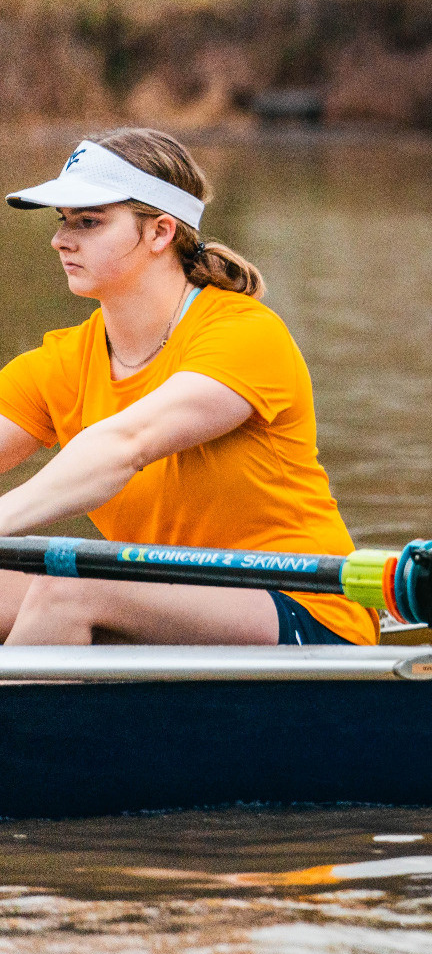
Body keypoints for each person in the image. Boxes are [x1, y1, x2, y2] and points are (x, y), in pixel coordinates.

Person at [0, 128, 377, 646]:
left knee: (64, 592)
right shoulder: (60, 364)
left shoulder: (245, 335)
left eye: (89, 222)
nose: (61, 240)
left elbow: (124, 447)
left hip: (303, 608)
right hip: (162, 598)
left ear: (159, 232)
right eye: (62, 222)